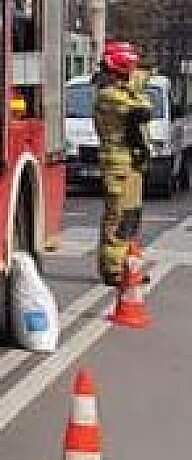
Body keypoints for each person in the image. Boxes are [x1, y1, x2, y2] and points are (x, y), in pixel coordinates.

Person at [93, 40, 153, 286]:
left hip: (130, 162)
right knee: (117, 219)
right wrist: (135, 85)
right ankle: (113, 269)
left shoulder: (120, 89)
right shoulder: (109, 95)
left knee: (130, 217)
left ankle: (127, 265)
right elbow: (143, 110)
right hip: (117, 164)